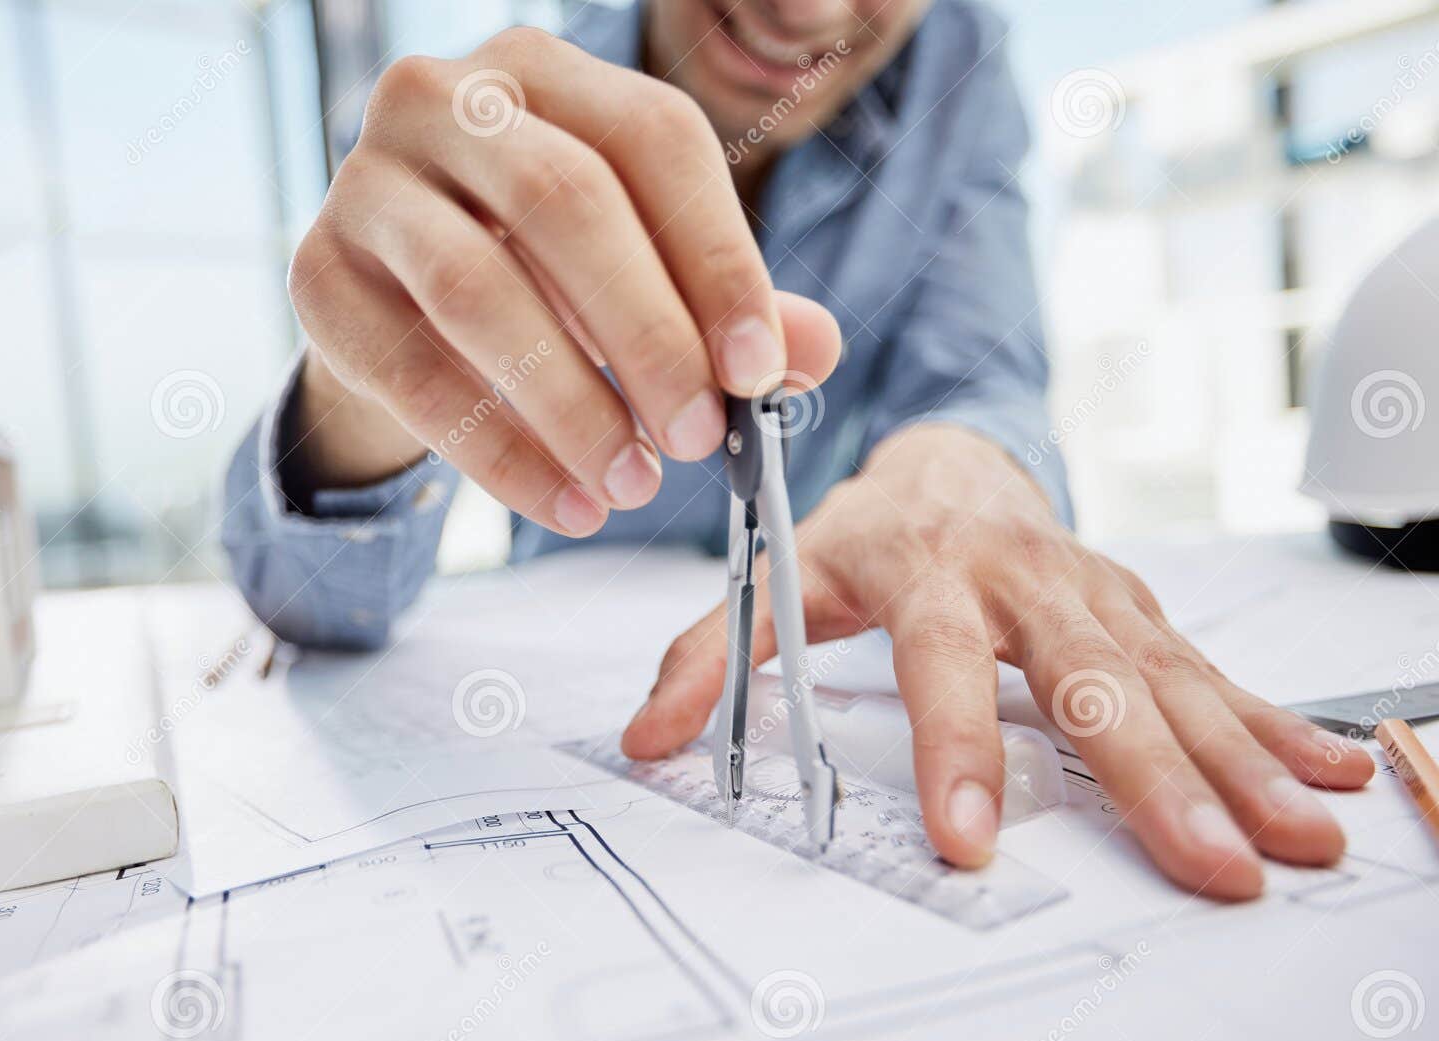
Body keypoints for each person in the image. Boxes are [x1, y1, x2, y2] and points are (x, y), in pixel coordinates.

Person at [223, 0, 1372, 899]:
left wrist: (955, 472)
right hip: (564, 678)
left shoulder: (958, 67)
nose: (809, 11)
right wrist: (367, 385)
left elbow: (984, 378)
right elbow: (311, 608)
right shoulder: (507, 113)